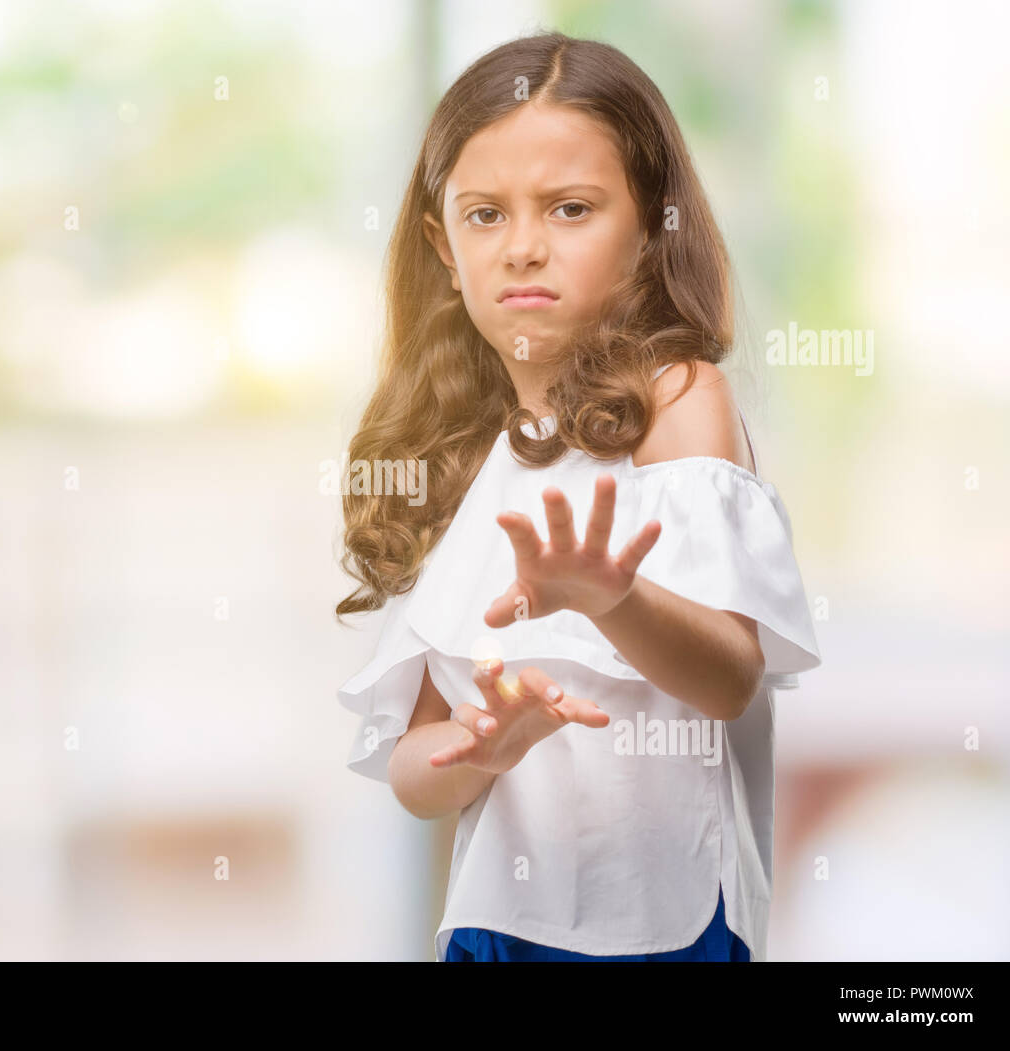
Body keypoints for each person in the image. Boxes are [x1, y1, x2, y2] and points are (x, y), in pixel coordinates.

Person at [334, 32, 822, 963]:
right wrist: (482, 749)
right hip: (494, 931)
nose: (522, 248)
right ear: (443, 245)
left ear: (650, 229)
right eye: (485, 216)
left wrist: (615, 596)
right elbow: (411, 767)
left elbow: (728, 678)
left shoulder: (676, 399)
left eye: (569, 209)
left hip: (668, 926)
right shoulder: (455, 462)